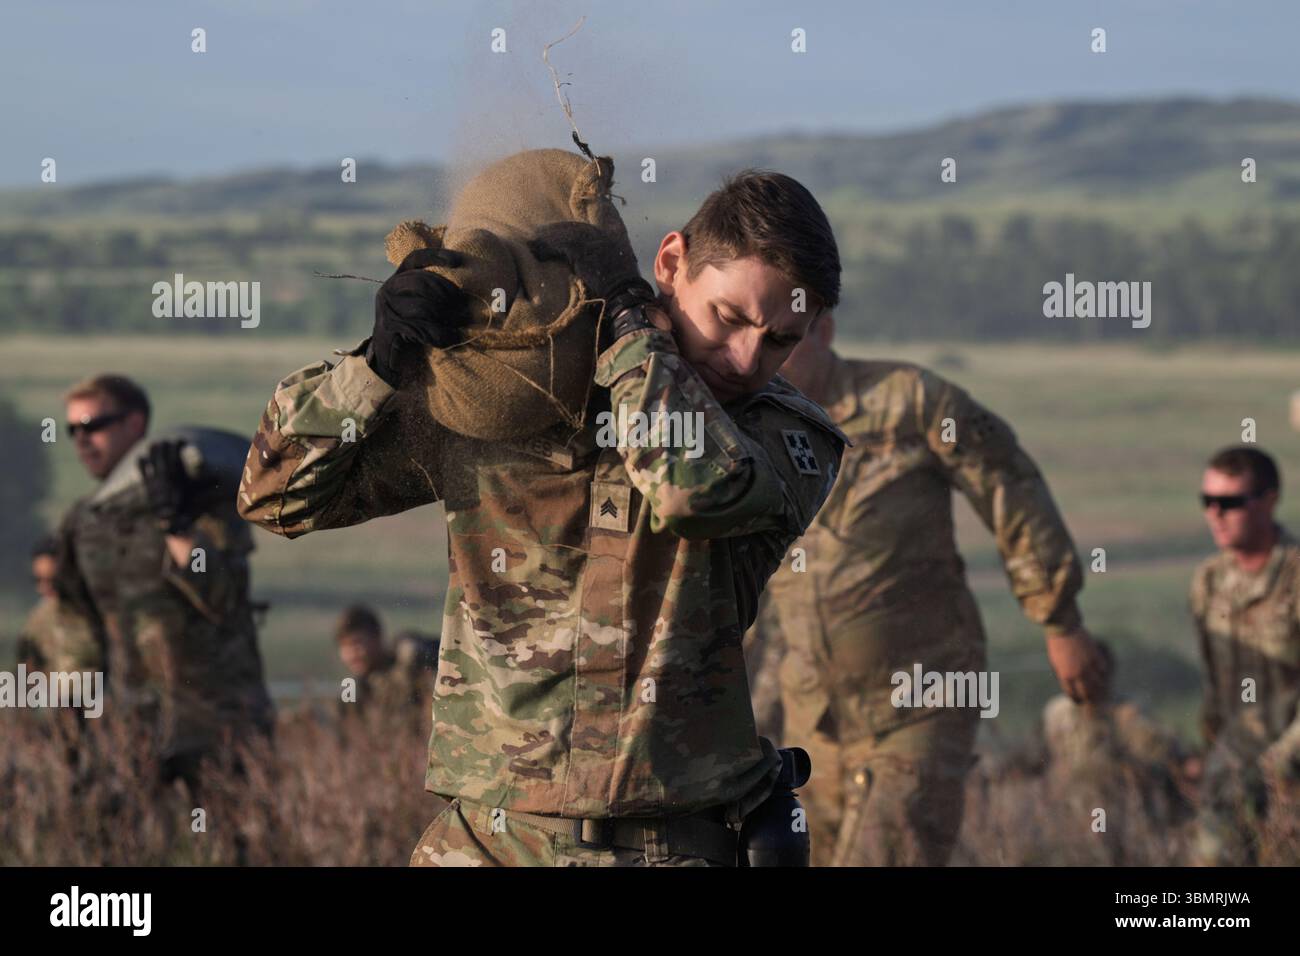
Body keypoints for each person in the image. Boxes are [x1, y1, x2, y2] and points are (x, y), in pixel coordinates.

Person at [239, 169, 847, 866]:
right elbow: (275, 494)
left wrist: (627, 323)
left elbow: (689, 486)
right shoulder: (511, 398)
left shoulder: (784, 443)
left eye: (780, 341)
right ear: (672, 262)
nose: (746, 359)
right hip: (487, 845)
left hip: (666, 846)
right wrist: (378, 365)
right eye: (729, 318)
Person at [745, 311, 1109, 866]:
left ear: (823, 330)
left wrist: (1059, 619)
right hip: (814, 718)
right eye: (745, 331)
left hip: (919, 700)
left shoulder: (910, 402)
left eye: (782, 337)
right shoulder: (753, 419)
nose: (758, 353)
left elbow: (1009, 483)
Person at [55, 374, 274, 792]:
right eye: (72, 430)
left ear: (135, 424)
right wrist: (74, 721)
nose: (81, 440)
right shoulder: (82, 522)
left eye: (93, 426)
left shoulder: (200, 496)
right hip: (133, 729)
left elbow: (225, 599)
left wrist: (177, 527)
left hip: (221, 724)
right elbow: (76, 625)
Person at [1189, 446, 1300, 865]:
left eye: (1231, 503)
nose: (1215, 513)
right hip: (1233, 770)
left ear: (1269, 501)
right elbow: (1213, 688)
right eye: (1208, 502)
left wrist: (1283, 763)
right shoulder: (1209, 582)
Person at [334, 604, 437, 722]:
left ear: (377, 638)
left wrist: (413, 657)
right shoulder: (352, 689)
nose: (352, 655)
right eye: (344, 647)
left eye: (356, 644)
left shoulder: (405, 660)